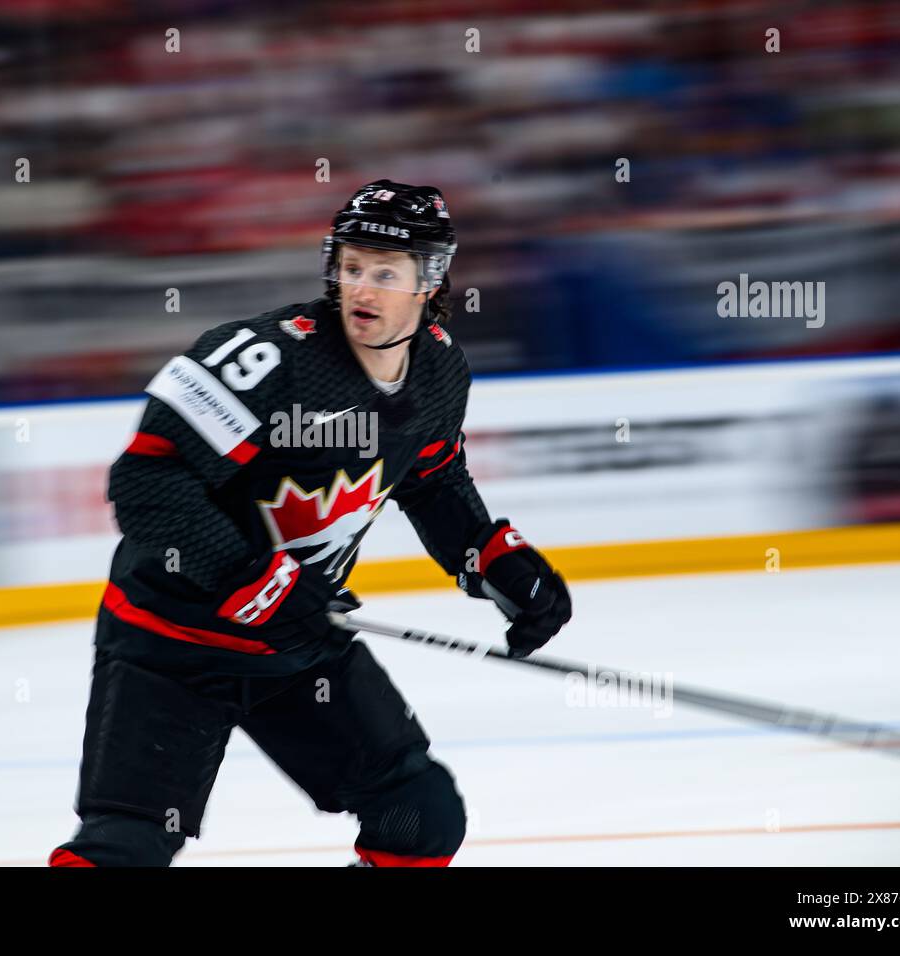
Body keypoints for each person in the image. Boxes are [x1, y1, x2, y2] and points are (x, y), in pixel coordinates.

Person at [49, 179, 572, 867]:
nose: (363, 287)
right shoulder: (267, 358)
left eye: (386, 273)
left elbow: (433, 478)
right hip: (172, 641)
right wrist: (257, 578)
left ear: (430, 282)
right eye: (352, 266)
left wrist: (495, 559)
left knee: (420, 817)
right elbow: (148, 480)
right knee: (126, 845)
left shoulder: (440, 371)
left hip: (295, 648)